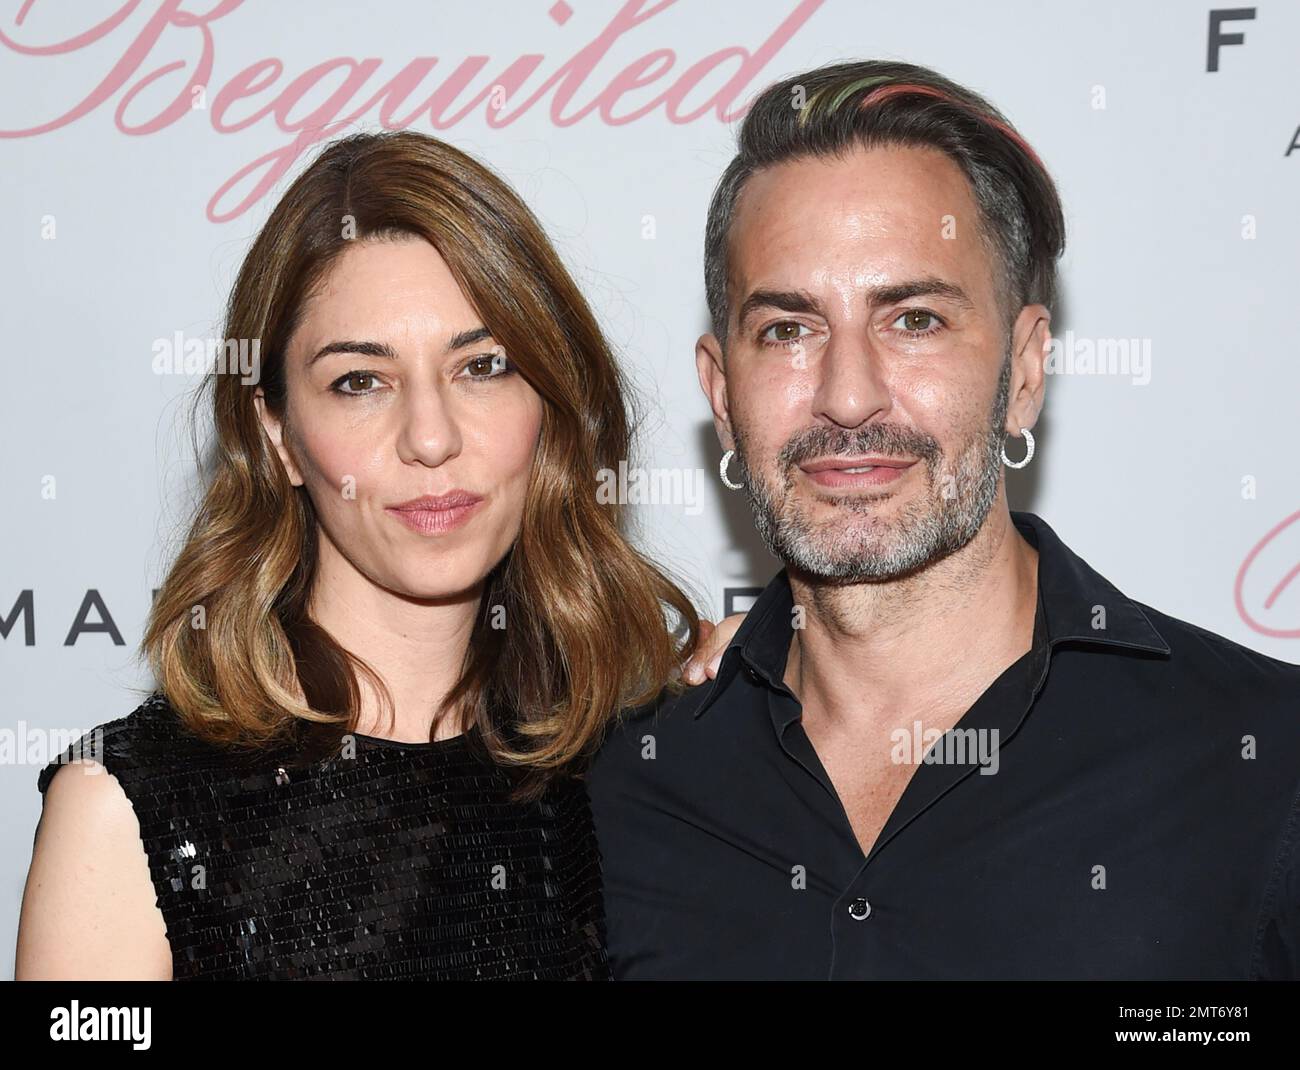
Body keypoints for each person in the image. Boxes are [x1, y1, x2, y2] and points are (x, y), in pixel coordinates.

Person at [587, 59, 1300, 980]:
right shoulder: (624, 784)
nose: (847, 397)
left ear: (1027, 370)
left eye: (914, 319)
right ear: (722, 394)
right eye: (788, 329)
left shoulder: (1263, 764)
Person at [15, 129, 726, 980]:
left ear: (549, 407)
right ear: (276, 435)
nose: (430, 437)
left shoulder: (635, 770)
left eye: (483, 366)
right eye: (360, 381)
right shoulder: (132, 814)